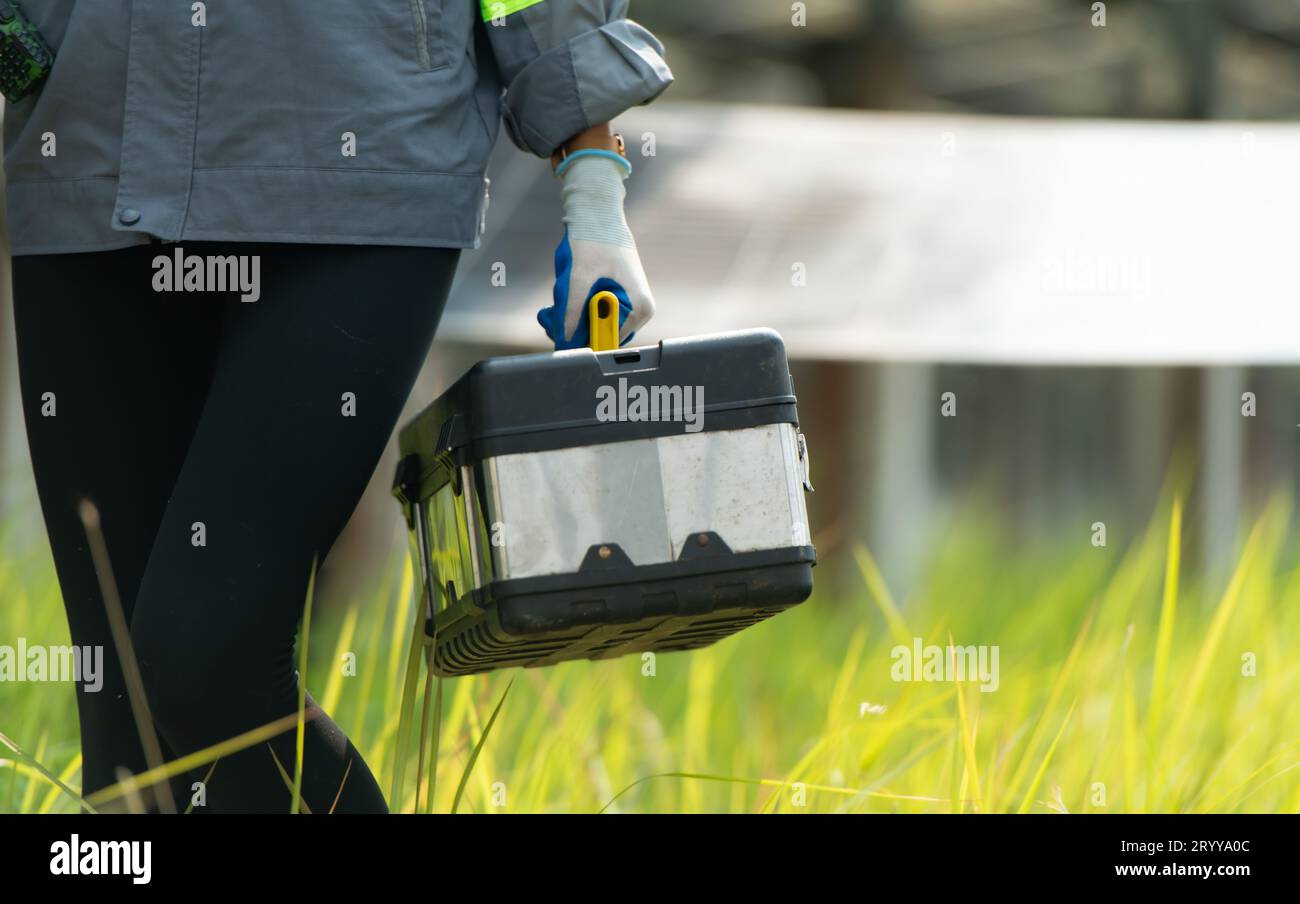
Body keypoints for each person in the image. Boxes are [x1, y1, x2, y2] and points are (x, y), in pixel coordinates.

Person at [2, 0, 670, 813]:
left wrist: (594, 185)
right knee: (127, 747)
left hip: (365, 156)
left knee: (202, 659)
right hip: (90, 144)